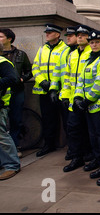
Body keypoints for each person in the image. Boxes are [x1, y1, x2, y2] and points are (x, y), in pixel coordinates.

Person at [73, 30, 100, 187]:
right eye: (91, 42)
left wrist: (86, 100)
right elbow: (80, 81)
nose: (94, 44)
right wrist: (77, 97)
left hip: (99, 107)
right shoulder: (88, 60)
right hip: (88, 107)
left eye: (97, 42)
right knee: (94, 139)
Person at [32, 23, 69, 157]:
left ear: (58, 34)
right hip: (44, 90)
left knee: (66, 120)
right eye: (46, 32)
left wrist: (55, 84)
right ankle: (49, 144)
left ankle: (71, 147)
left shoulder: (65, 49)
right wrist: (42, 81)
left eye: (50, 32)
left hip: (60, 90)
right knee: (48, 118)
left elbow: (64, 69)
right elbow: (35, 67)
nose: (47, 34)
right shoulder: (42, 49)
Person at [62, 25, 93, 172]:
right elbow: (67, 78)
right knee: (73, 129)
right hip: (74, 100)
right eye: (78, 35)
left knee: (89, 131)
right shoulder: (72, 55)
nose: (79, 37)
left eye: (83, 35)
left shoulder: (91, 53)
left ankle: (90, 155)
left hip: (87, 100)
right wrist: (66, 96)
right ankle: (76, 157)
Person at [0, 29, 32, 154]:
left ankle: (15, 146)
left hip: (16, 91)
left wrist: (23, 78)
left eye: (1, 37)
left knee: (16, 119)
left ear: (9, 39)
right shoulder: (0, 55)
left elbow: (29, 71)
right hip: (3, 93)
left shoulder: (20, 54)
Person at [48, 26, 78, 160]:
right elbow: (58, 72)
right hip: (65, 94)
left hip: (78, 96)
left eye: (71, 36)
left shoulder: (80, 52)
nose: (68, 38)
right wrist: (54, 89)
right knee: (69, 126)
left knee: (78, 128)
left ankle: (80, 152)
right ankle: (73, 150)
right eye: (67, 36)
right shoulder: (65, 52)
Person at [0, 43, 20, 180]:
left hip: (0, 104)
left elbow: (13, 79)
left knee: (1, 136)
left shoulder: (3, 62)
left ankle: (12, 165)